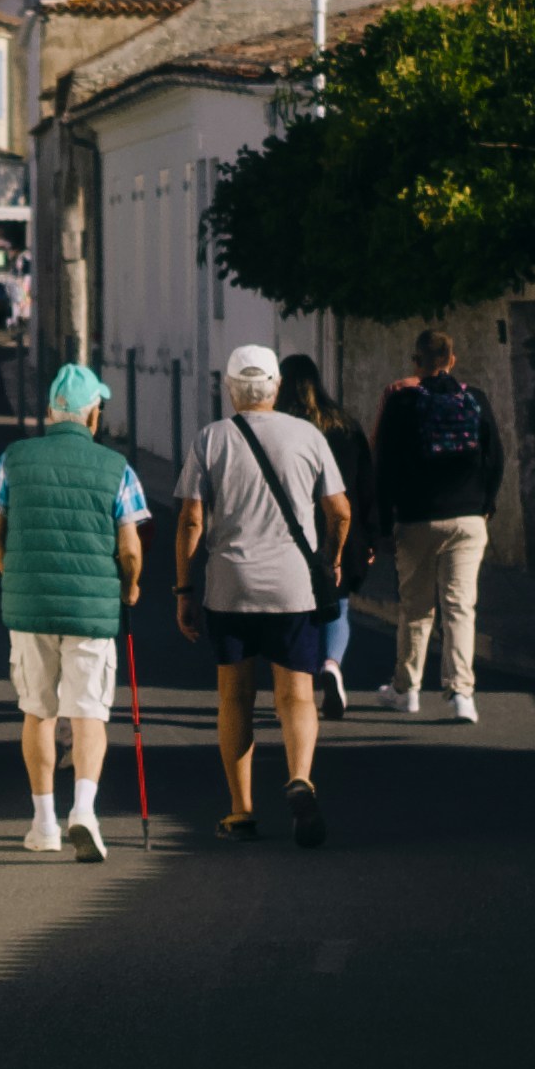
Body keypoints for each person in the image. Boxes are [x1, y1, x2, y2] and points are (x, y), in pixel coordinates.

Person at [172, 346, 354, 846]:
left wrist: (185, 588)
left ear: (231, 389)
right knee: (296, 695)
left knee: (235, 696)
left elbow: (191, 519)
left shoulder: (211, 439)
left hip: (230, 587)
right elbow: (340, 511)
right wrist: (332, 559)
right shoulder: (308, 435)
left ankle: (241, 811)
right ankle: (300, 777)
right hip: (293, 586)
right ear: (274, 387)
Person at [0, 363, 151, 860]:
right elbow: (131, 549)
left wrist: (15, 575)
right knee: (89, 713)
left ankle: (44, 822)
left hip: (29, 608)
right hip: (92, 610)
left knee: (39, 712)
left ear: (52, 412)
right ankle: (85, 812)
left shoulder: (14, 458)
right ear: (93, 415)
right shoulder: (117, 469)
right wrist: (130, 586)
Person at [369, 323, 503, 717]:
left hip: (417, 518)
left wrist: (383, 521)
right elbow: (495, 455)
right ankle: (462, 694)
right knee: (460, 606)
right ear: (452, 360)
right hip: (468, 517)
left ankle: (406, 689)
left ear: (418, 361)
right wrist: (487, 503)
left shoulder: (402, 402)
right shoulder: (474, 398)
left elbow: (385, 466)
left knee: (416, 607)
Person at [284, 360, 380, 711]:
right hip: (342, 528)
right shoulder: (344, 425)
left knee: (297, 608)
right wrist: (370, 534)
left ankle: (301, 678)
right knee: (337, 603)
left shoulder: (283, 427)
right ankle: (331, 664)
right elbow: (366, 486)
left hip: (293, 532)